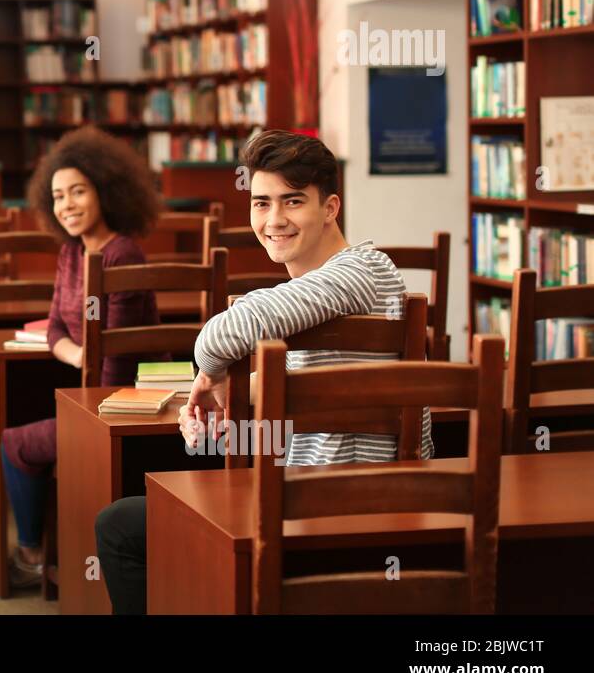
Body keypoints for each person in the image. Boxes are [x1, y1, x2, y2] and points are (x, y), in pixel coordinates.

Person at [94, 129, 427, 614]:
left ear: (331, 208)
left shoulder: (364, 270)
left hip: (340, 507)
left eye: (292, 202)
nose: (274, 220)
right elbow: (288, 421)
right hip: (308, 495)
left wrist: (209, 371)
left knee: (120, 527)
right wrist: (215, 419)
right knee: (140, 509)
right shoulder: (310, 299)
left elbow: (222, 334)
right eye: (261, 203)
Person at [1, 127, 161, 588]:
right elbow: (53, 327)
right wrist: (77, 356)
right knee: (26, 425)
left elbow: (117, 367)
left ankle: (31, 555)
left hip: (127, 399)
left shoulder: (122, 254)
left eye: (77, 192)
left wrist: (87, 372)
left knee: (14, 443)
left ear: (105, 192)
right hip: (93, 388)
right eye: (57, 196)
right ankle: (49, 551)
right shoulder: (72, 251)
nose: (66, 204)